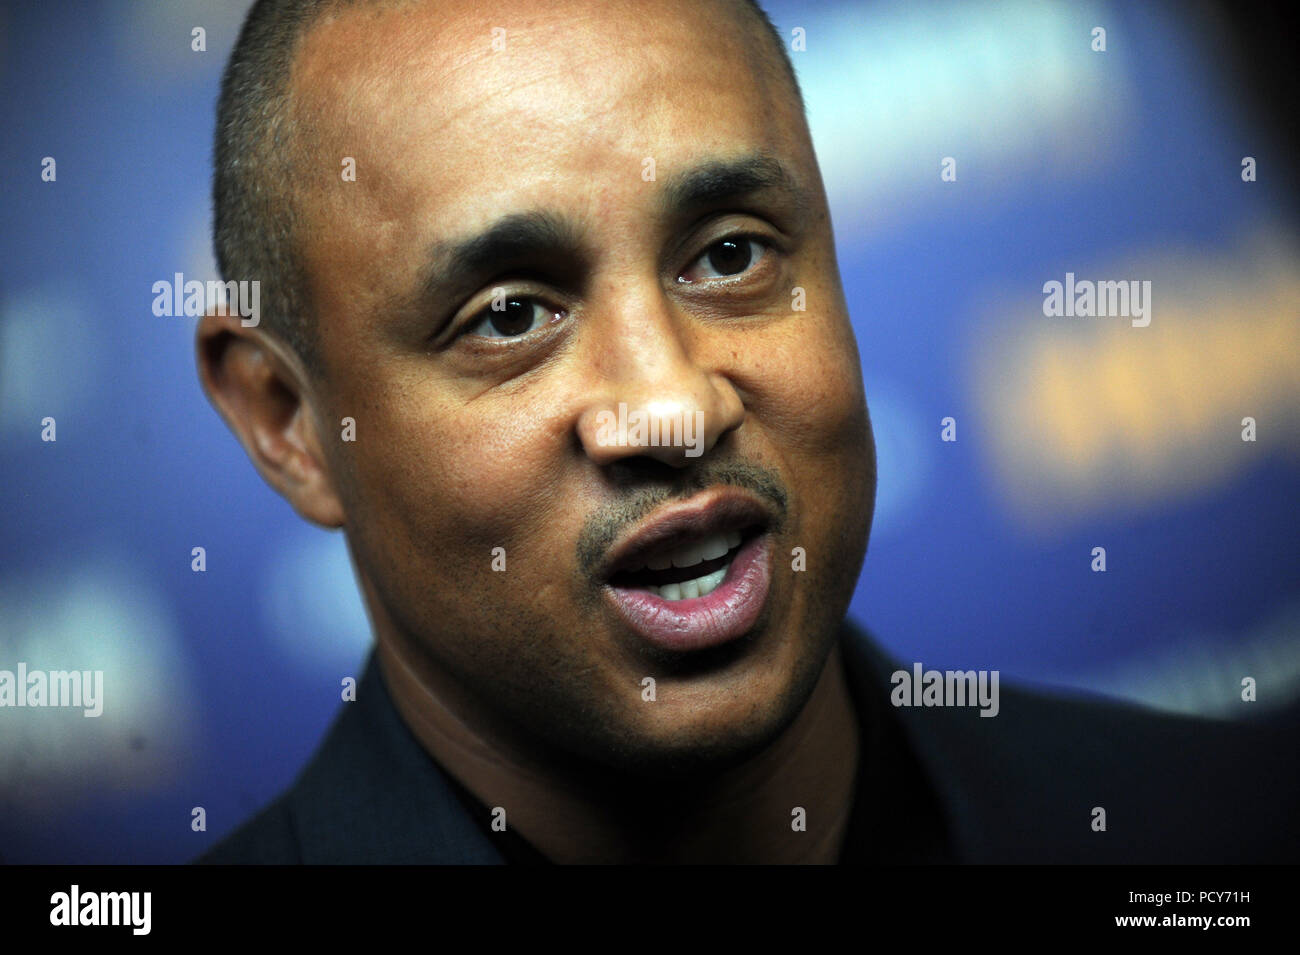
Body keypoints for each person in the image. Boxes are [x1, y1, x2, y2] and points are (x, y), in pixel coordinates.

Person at [194, 0, 1298, 864]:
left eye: (730, 255)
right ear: (288, 421)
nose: (674, 405)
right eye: (512, 317)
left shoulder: (1217, 830)